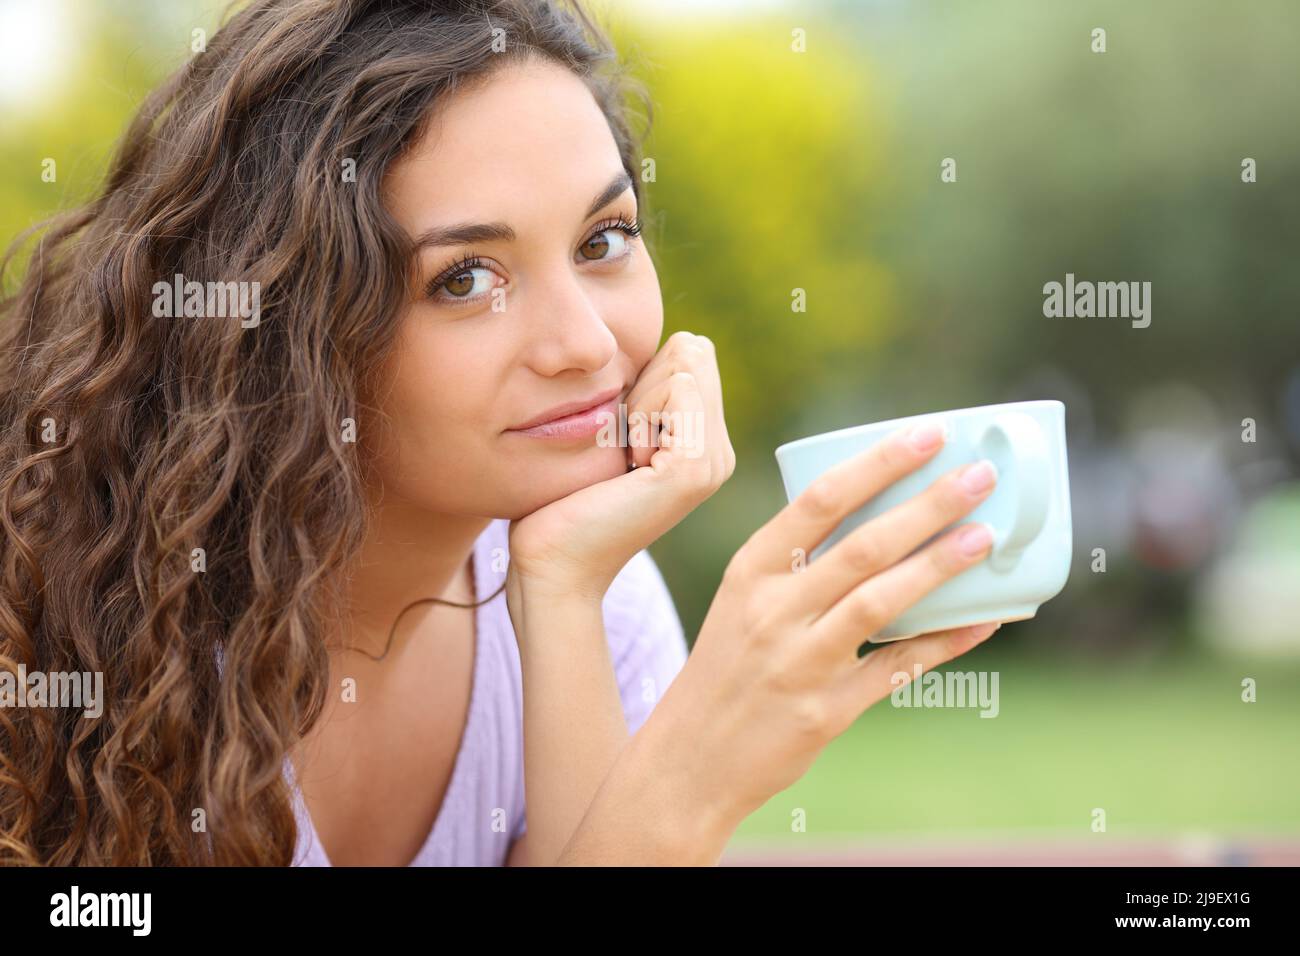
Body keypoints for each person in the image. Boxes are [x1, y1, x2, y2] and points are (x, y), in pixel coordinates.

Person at [0, 0, 1000, 866]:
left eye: (603, 241)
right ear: (291, 329)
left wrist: (561, 592)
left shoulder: (608, 607)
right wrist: (685, 785)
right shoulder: (77, 620)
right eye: (465, 279)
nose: (583, 341)